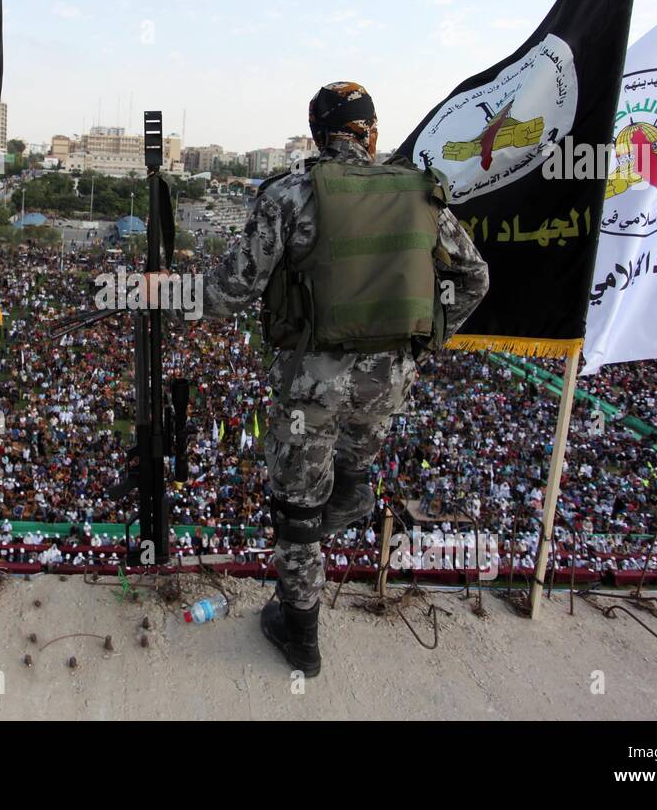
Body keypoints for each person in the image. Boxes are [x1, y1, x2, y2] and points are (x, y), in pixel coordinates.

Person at [190, 81, 489, 677]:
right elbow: (473, 278)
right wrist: (423, 344)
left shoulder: (291, 194)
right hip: (388, 384)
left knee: (298, 509)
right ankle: (353, 486)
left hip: (312, 386)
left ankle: (299, 632)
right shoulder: (419, 192)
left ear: (315, 131)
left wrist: (168, 295)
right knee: (356, 451)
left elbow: (229, 293)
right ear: (372, 133)